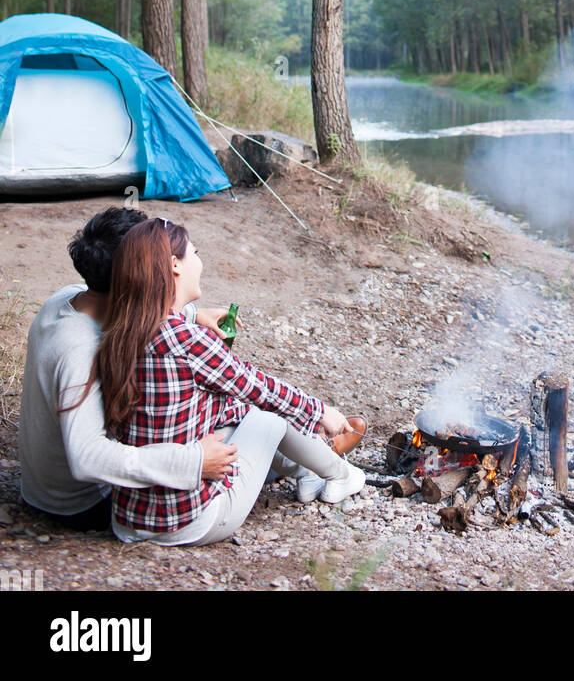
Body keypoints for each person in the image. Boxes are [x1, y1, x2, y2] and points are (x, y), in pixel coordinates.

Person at [91, 216, 364, 546]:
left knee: (240, 411)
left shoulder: (121, 333)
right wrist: (322, 412)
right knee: (268, 415)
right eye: (195, 252)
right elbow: (258, 387)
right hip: (189, 522)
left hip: (128, 519)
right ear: (174, 265)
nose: (200, 261)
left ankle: (307, 472)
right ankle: (341, 474)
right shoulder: (185, 339)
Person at [18, 206, 238, 531]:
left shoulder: (66, 298)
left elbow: (132, 316)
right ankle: (308, 457)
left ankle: (308, 454)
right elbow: (86, 458)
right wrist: (193, 461)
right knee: (228, 425)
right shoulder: (82, 349)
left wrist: (192, 315)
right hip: (84, 503)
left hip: (42, 489)